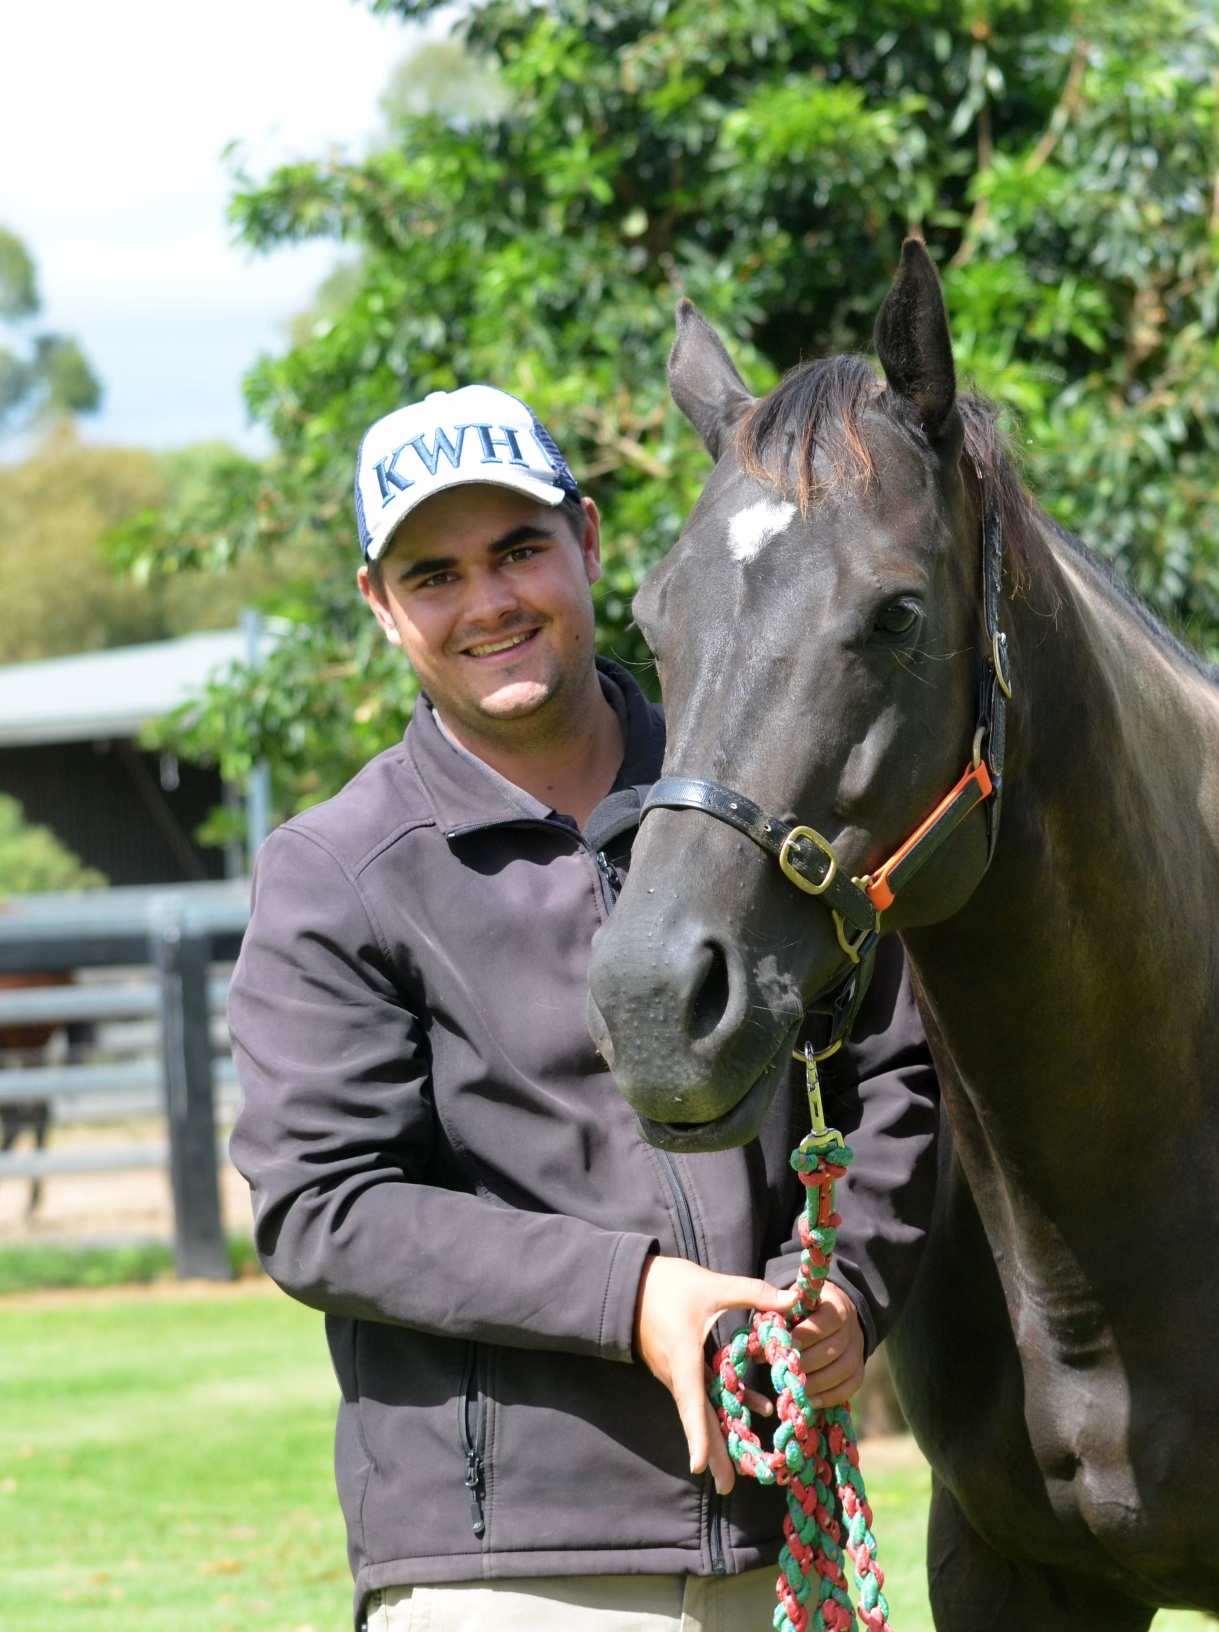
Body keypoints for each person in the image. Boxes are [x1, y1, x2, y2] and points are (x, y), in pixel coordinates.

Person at [228, 384, 939, 1631]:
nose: (488, 602)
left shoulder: (771, 797)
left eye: (517, 551)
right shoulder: (337, 870)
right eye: (434, 573)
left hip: (786, 1545)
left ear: (591, 543)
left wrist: (848, 1294)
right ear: (381, 608)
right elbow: (322, 1208)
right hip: (509, 1574)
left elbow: (898, 1072)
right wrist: (638, 1297)